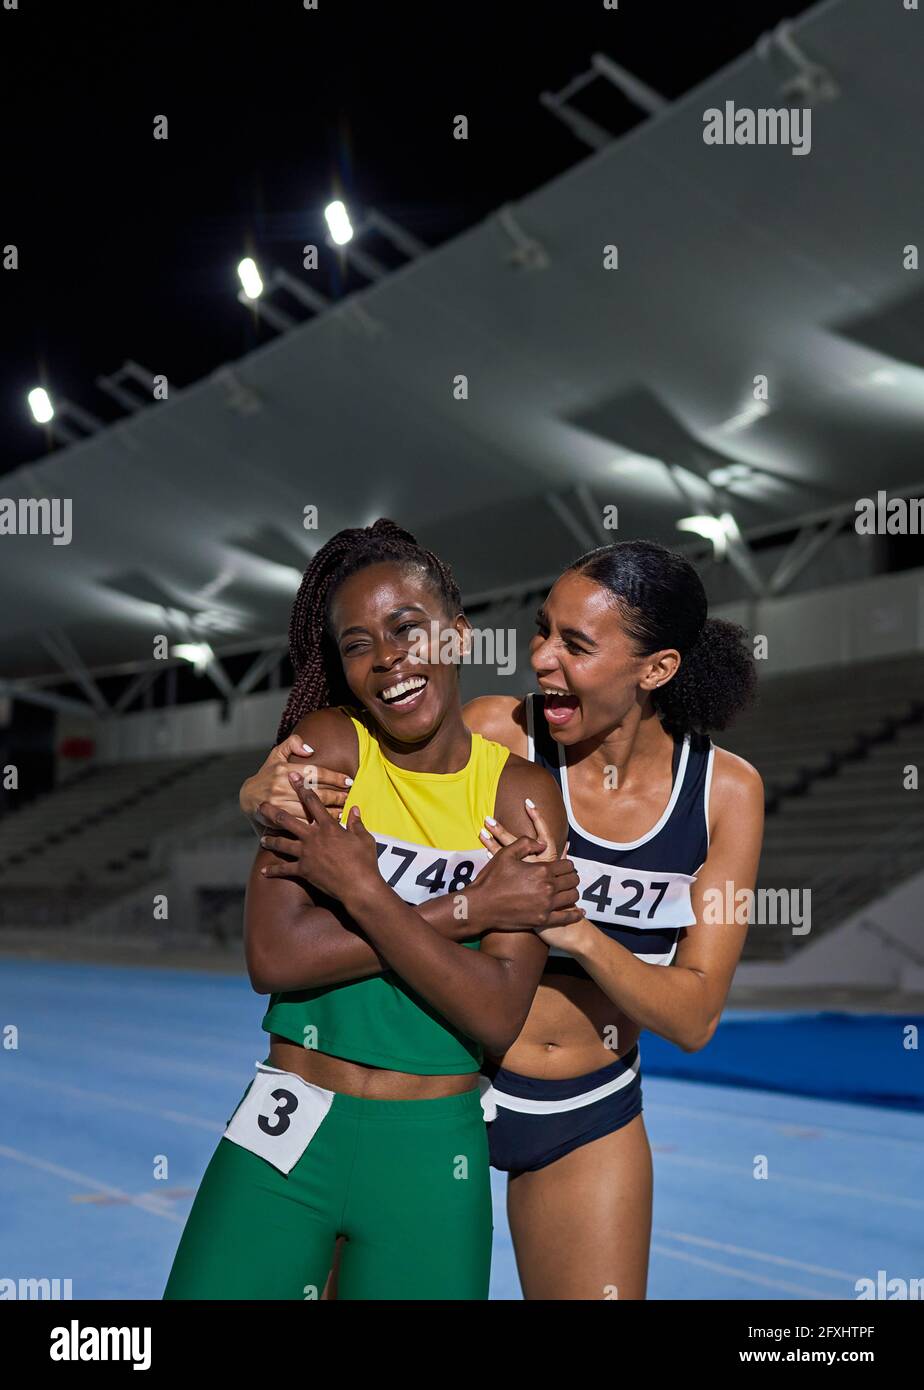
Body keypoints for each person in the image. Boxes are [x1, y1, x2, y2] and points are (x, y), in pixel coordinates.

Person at [240, 538, 764, 1300]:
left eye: (576, 645)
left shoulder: (726, 795)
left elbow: (695, 1014)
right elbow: (334, 751)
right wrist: (255, 791)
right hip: (430, 1088)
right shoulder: (494, 733)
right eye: (543, 630)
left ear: (656, 669)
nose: (543, 659)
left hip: (587, 1113)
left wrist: (576, 930)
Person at [164, 519, 579, 1300]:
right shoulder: (329, 748)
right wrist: (470, 906)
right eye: (358, 644)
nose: (387, 658)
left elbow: (494, 1014)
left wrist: (360, 893)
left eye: (407, 629)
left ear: (456, 638)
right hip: (290, 1124)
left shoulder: (522, 795)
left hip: (432, 1152)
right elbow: (276, 957)